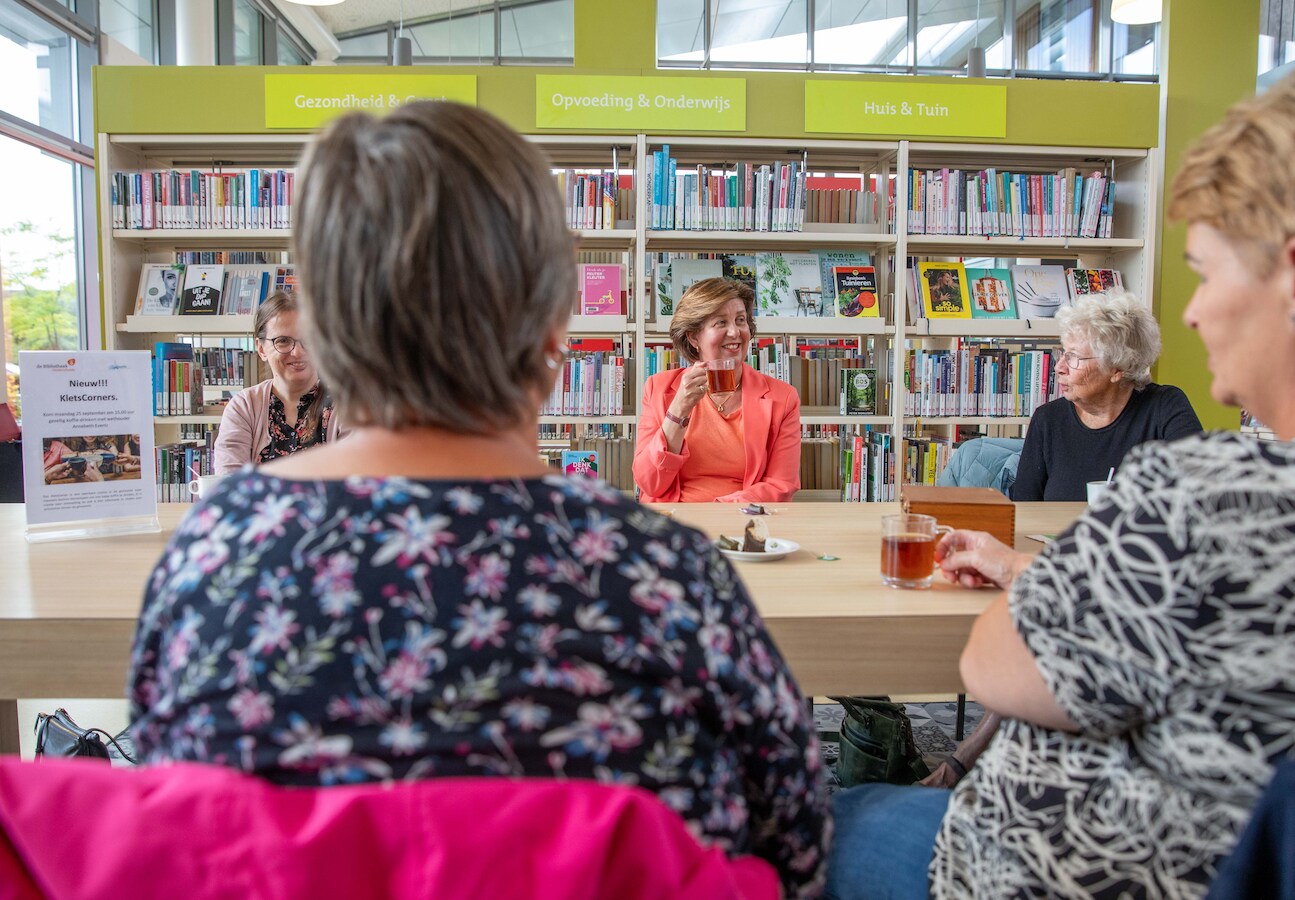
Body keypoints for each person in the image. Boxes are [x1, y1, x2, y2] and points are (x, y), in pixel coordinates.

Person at [127, 102, 831, 897]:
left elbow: (172, 843)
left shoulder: (210, 556)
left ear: (320, 333)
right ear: (555, 332)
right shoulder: (666, 574)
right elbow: (794, 851)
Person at [825, 75, 1295, 900]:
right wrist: (1027, 570)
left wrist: (1027, 578)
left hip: (1049, 866)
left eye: (1203, 272)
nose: (1191, 314)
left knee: (823, 820)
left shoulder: (1198, 494)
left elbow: (993, 668)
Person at [1011, 290, 1202, 500]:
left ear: (1117, 368)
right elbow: (1023, 509)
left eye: (1073, 357)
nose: (1059, 367)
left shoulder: (1165, 407)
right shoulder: (1048, 420)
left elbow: (1200, 489)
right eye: (1062, 353)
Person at [633, 277, 801, 502]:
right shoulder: (658, 388)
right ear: (694, 337)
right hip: (673, 523)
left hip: (741, 521)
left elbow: (781, 485)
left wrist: (719, 511)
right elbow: (648, 483)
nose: (735, 332)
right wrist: (678, 411)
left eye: (740, 320)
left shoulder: (783, 397)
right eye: (721, 322)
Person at [211, 291, 347, 474]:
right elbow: (230, 485)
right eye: (282, 341)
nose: (298, 352)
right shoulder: (244, 407)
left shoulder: (348, 405)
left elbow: (358, 483)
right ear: (261, 349)